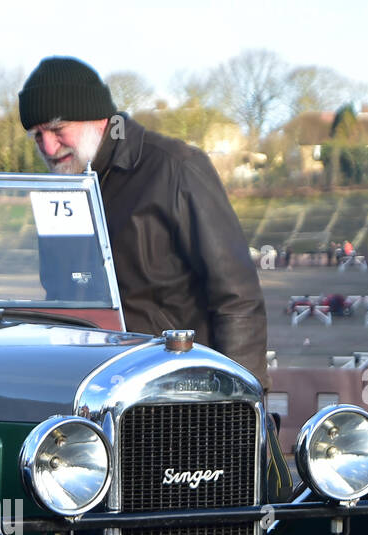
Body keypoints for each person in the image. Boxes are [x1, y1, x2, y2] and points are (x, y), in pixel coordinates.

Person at [18, 56, 267, 386]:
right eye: (37, 136)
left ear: (97, 117)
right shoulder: (61, 190)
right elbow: (63, 302)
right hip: (94, 394)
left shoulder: (176, 168)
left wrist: (242, 398)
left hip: (181, 394)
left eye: (57, 129)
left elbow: (238, 298)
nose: (48, 147)